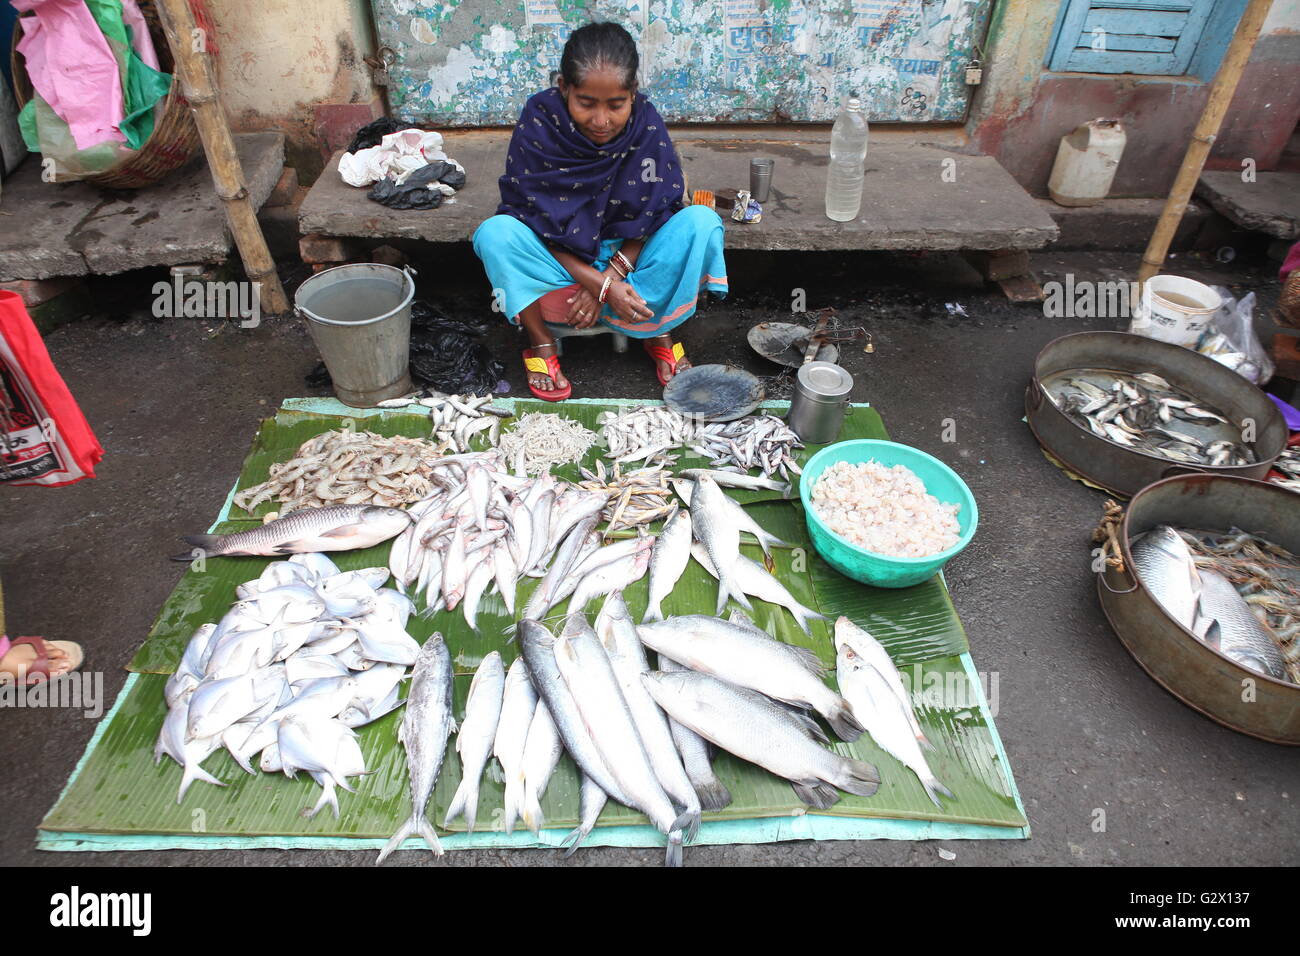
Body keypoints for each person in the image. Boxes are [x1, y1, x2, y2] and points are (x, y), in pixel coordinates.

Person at [472, 21, 728, 401]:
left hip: (630, 260)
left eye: (616, 105)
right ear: (564, 88)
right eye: (586, 103)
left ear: (633, 94)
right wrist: (599, 285)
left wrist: (609, 279)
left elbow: (656, 212)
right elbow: (532, 218)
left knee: (702, 221)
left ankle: (658, 330)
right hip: (561, 263)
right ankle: (540, 340)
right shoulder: (540, 121)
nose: (601, 121)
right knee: (496, 234)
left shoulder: (646, 125)